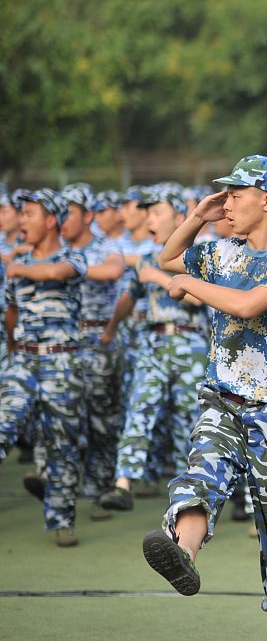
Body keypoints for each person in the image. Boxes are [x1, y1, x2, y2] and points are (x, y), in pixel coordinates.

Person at [140, 155, 267, 641]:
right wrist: (197, 216)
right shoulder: (221, 249)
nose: (229, 202)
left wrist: (190, 285)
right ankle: (184, 556)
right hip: (223, 400)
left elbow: (246, 305)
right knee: (200, 477)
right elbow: (168, 257)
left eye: (237, 194)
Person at [98, 188, 207, 512]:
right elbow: (129, 298)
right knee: (139, 408)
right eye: (147, 213)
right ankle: (123, 484)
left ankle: (192, 494)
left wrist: (159, 277)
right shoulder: (146, 259)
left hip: (190, 345)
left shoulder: (199, 257)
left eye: (157, 213)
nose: (150, 219)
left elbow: (199, 299)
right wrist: (111, 328)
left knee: (189, 421)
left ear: (179, 218)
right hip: (154, 342)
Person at [0, 189, 88, 546]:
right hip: (23, 360)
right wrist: (12, 349)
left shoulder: (73, 257)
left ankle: (61, 520)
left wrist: (18, 267)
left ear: (51, 221)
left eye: (29, 214)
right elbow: (10, 312)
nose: (22, 220)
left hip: (61, 362)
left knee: (60, 445)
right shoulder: (17, 265)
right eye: (21, 214)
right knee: (3, 424)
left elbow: (55, 271)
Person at [58, 184, 126, 520]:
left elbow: (113, 270)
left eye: (69, 212)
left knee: (101, 420)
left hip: (99, 340)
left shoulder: (105, 246)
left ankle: (100, 490)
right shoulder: (54, 248)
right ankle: (57, 486)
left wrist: (69, 269)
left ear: (87, 216)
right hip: (64, 342)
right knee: (60, 416)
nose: (62, 219)